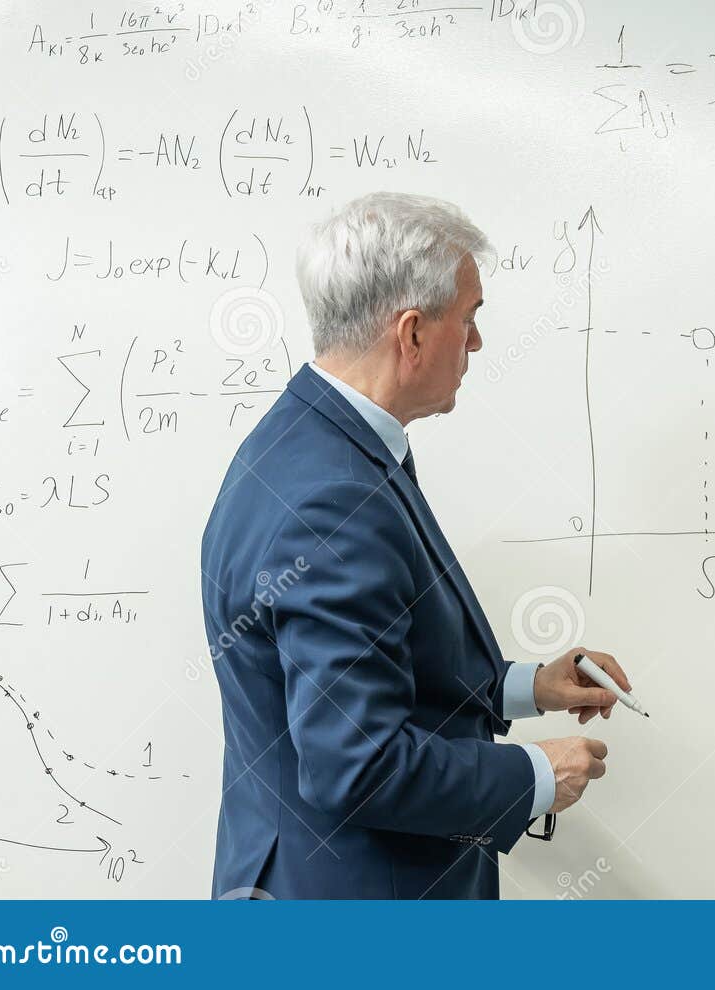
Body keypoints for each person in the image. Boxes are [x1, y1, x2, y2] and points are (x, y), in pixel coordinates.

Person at [201, 191, 633, 899]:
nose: (477, 342)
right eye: (469, 320)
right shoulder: (334, 500)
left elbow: (371, 667)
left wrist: (523, 686)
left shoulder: (309, 441)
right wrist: (535, 776)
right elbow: (356, 765)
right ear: (411, 335)